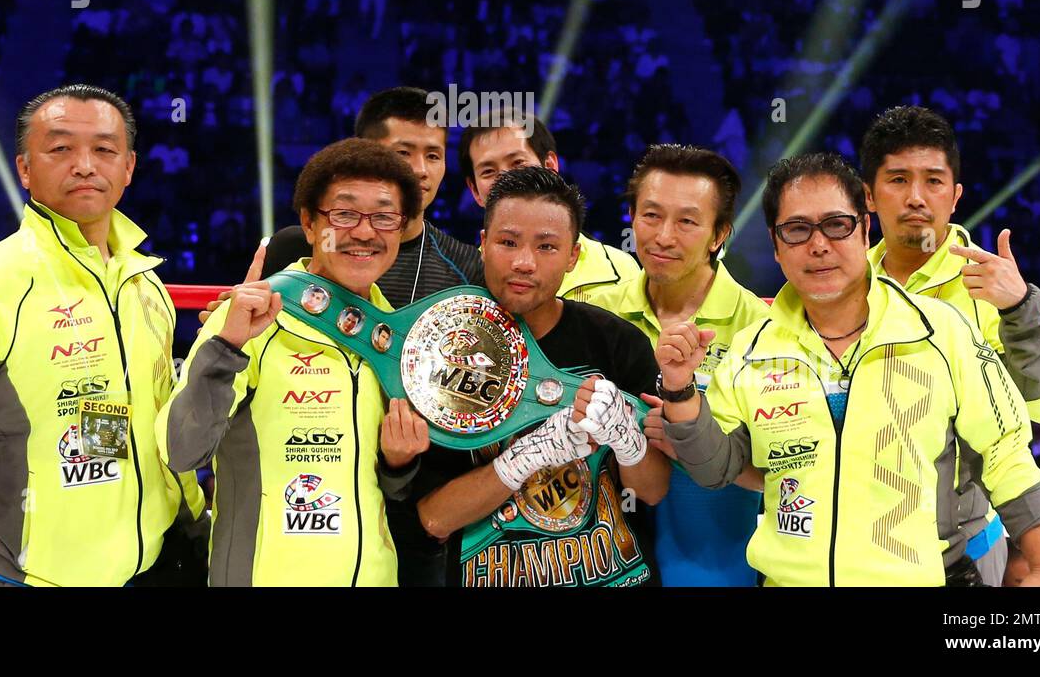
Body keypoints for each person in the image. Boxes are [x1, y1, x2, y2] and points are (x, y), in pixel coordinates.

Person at [658, 152, 1040, 586]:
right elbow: (716, 468)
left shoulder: (942, 332)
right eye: (796, 230)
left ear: (865, 231)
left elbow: (1005, 451)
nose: (818, 245)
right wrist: (680, 391)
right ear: (776, 248)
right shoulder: (750, 351)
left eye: (836, 225)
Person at [0, 84, 205, 587]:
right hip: (17, 575)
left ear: (129, 167)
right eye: (60, 148)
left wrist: (191, 515)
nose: (84, 165)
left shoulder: (143, 281)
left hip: (141, 567)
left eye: (103, 149)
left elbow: (139, 423)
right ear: (25, 169)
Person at [156, 139, 433, 585]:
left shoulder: (394, 339)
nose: (365, 232)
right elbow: (181, 451)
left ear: (401, 229)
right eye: (343, 214)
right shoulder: (249, 322)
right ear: (308, 224)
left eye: (384, 216)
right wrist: (227, 344)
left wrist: (399, 465)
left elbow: (380, 492)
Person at [412, 167, 671, 587]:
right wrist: (521, 460)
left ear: (573, 256)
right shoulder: (438, 352)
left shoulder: (616, 342)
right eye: (508, 242)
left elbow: (653, 491)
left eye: (547, 246)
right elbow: (433, 518)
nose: (523, 263)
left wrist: (627, 437)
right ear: (483, 244)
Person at [860, 105, 1040, 584]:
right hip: (861, 546)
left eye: (933, 181)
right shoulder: (850, 285)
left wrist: (1019, 309)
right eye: (897, 180)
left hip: (964, 545)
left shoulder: (991, 286)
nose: (916, 197)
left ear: (953, 197)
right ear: (868, 195)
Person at [592, 144, 769, 585]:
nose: (664, 237)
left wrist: (695, 447)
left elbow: (779, 474)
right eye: (651, 215)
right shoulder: (596, 315)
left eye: (687, 221)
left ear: (718, 235)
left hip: (718, 567)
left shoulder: (762, 330)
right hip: (606, 563)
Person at [248, 86, 483, 302]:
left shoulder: (465, 265)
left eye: (433, 156)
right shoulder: (295, 248)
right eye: (403, 153)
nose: (420, 170)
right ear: (364, 153)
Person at [460, 112, 639, 303]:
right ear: (475, 190)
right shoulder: (461, 284)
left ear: (550, 165)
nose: (506, 179)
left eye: (518, 163)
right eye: (488, 171)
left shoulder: (620, 271)